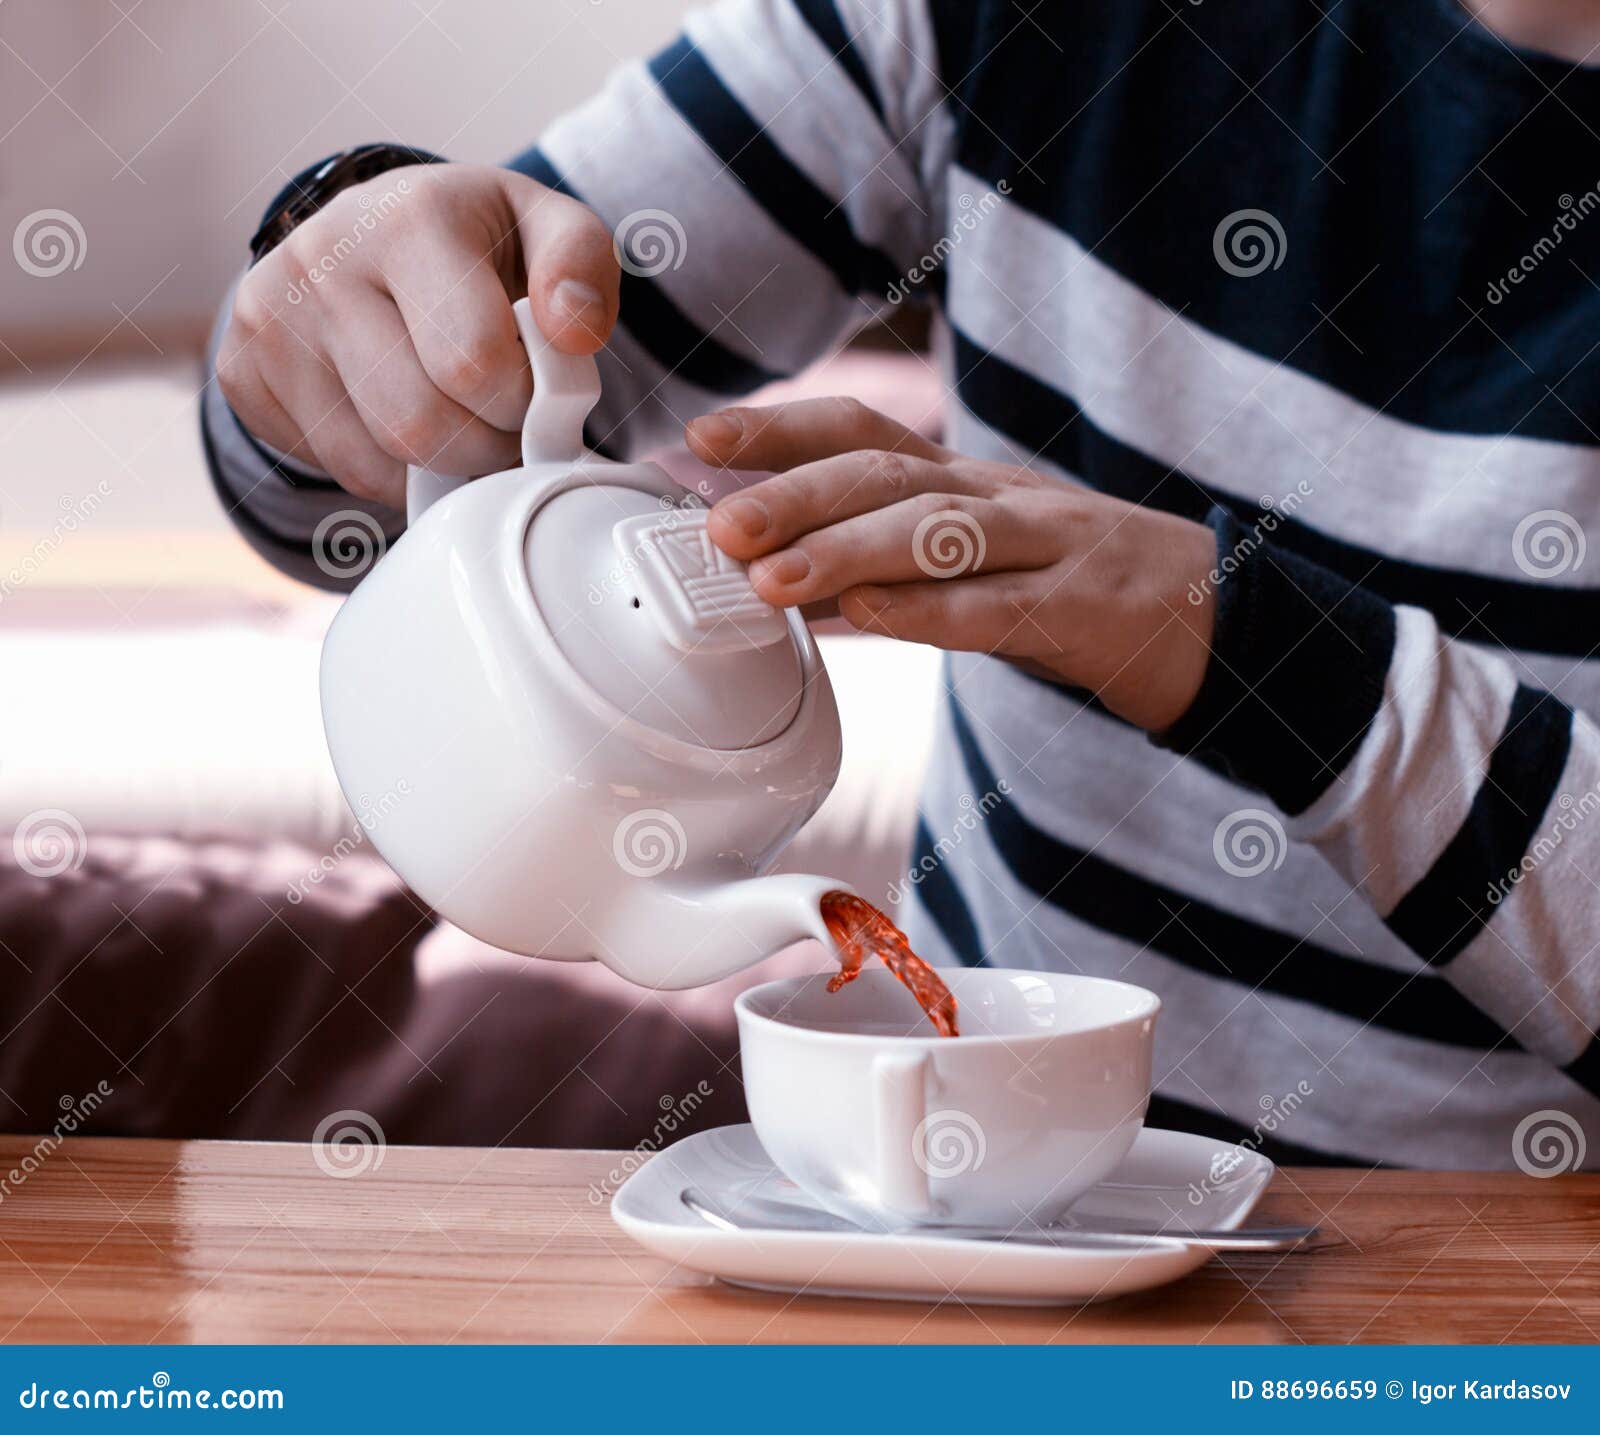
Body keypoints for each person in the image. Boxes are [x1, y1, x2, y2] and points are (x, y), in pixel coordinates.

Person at [204, 0, 1600, 1168]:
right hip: (957, 1201)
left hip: (1494, 1280)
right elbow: (377, 466)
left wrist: (1254, 657)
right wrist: (338, 311)